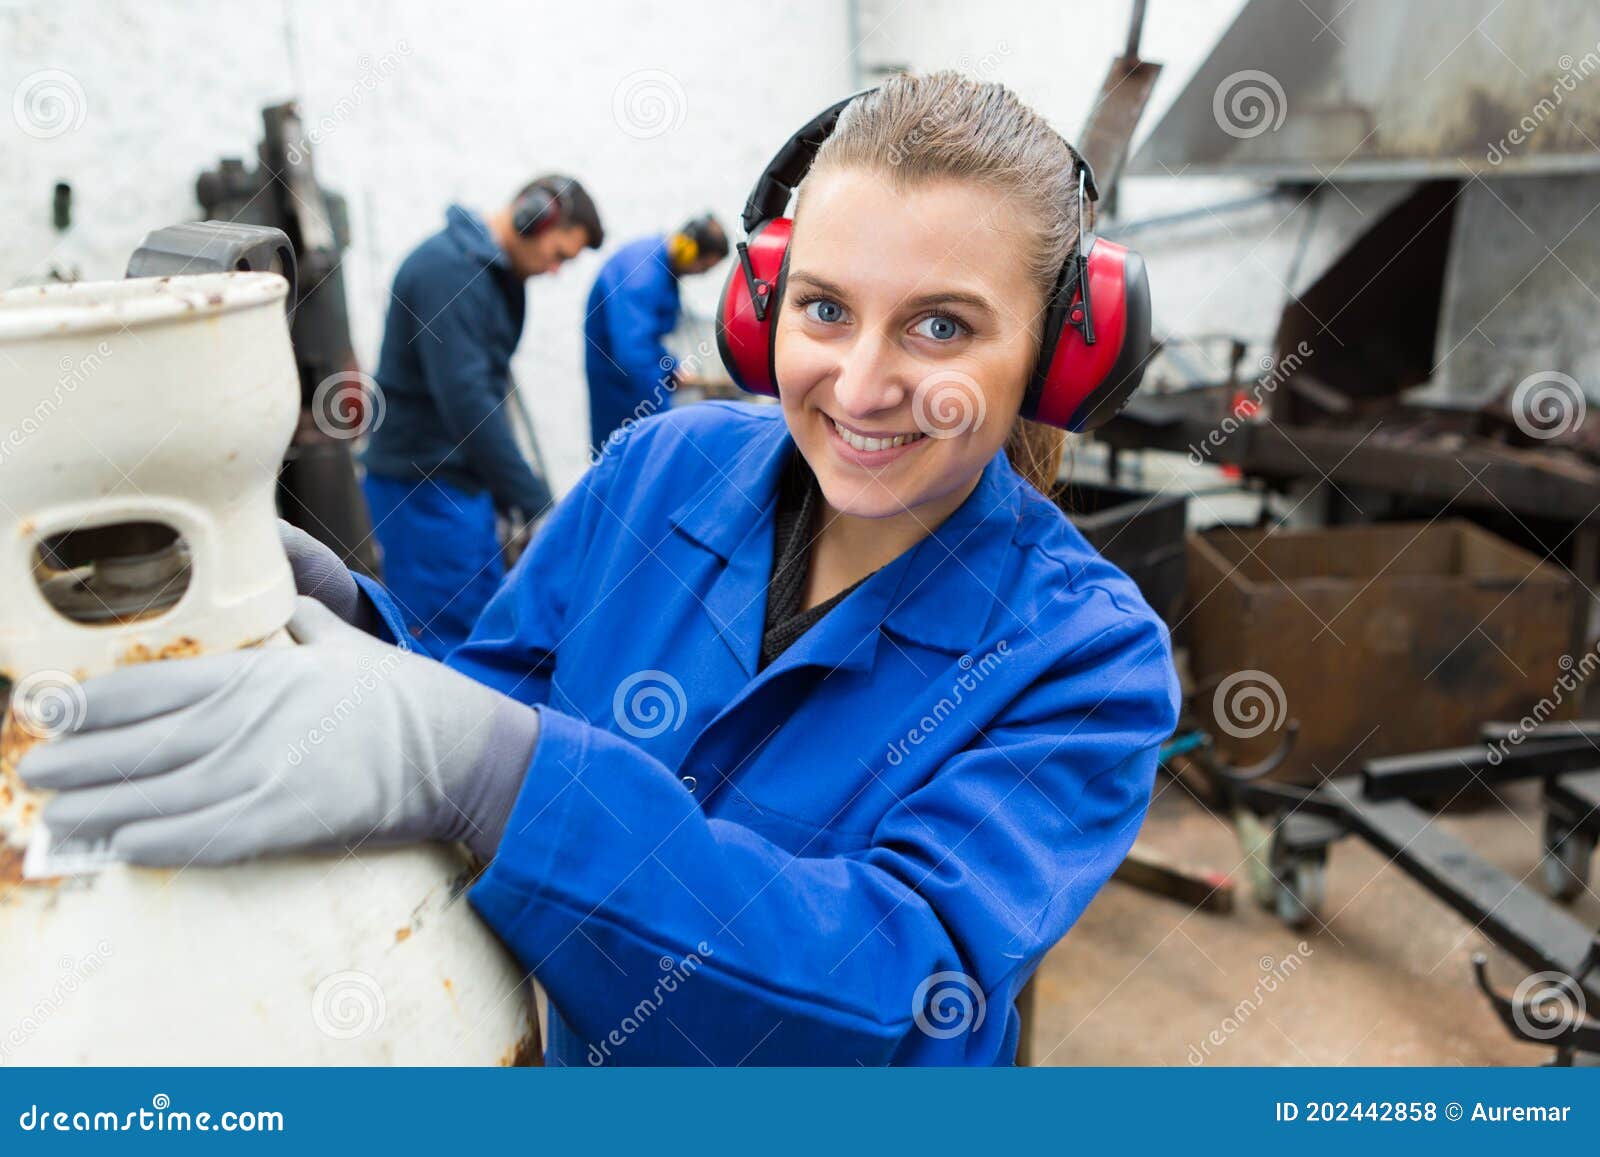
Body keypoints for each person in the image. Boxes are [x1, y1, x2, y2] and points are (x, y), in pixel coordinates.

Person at [20, 74, 1179, 1066]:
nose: (862, 384)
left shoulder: (1086, 658)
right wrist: (342, 620)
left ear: (1058, 353)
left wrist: (495, 775)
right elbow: (502, 694)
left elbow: (888, 990)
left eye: (940, 327)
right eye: (825, 308)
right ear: (760, 305)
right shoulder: (667, 468)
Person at [362, 175, 604, 652]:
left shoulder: (490, 275)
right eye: (559, 255)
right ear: (533, 217)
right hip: (426, 491)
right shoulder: (448, 273)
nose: (554, 270)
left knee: (478, 627)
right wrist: (535, 501)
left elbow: (485, 390)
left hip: (456, 486)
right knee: (448, 644)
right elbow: (467, 401)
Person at [583, 213, 729, 447]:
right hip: (621, 386)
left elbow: (647, 339)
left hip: (629, 380)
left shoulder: (657, 264)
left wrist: (671, 368)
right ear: (689, 251)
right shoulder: (642, 276)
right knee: (625, 457)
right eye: (703, 268)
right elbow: (635, 354)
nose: (700, 275)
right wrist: (663, 419)